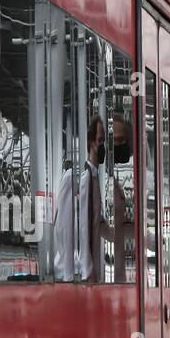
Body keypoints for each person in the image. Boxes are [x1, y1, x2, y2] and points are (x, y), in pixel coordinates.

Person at [53, 115, 130, 283]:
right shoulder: (73, 178)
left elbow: (101, 228)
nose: (104, 146)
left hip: (91, 277)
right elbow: (65, 230)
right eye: (101, 140)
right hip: (79, 277)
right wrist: (77, 273)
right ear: (91, 142)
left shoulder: (95, 179)